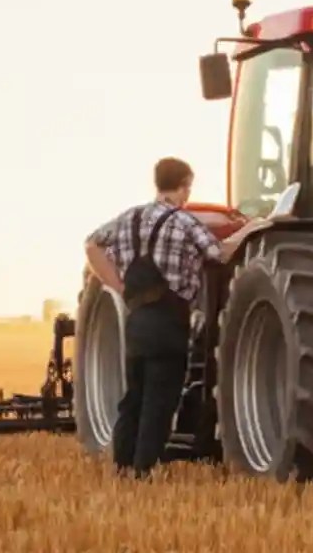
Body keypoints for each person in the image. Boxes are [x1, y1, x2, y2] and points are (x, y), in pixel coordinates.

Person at [83, 156, 269, 478]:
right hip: (169, 322)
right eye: (188, 188)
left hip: (136, 318)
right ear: (183, 185)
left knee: (135, 396)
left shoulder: (129, 218)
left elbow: (91, 245)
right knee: (160, 399)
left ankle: (122, 468)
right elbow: (220, 254)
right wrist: (252, 229)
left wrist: (119, 286)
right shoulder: (183, 222)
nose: (187, 195)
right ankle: (142, 472)